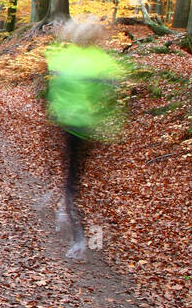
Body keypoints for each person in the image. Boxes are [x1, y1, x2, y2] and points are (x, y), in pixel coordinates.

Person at [42, 19, 128, 259]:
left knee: (70, 174)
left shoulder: (65, 57)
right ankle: (72, 223)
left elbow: (54, 88)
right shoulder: (101, 60)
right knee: (76, 176)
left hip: (67, 122)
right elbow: (113, 91)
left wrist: (56, 110)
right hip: (87, 125)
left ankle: (71, 223)